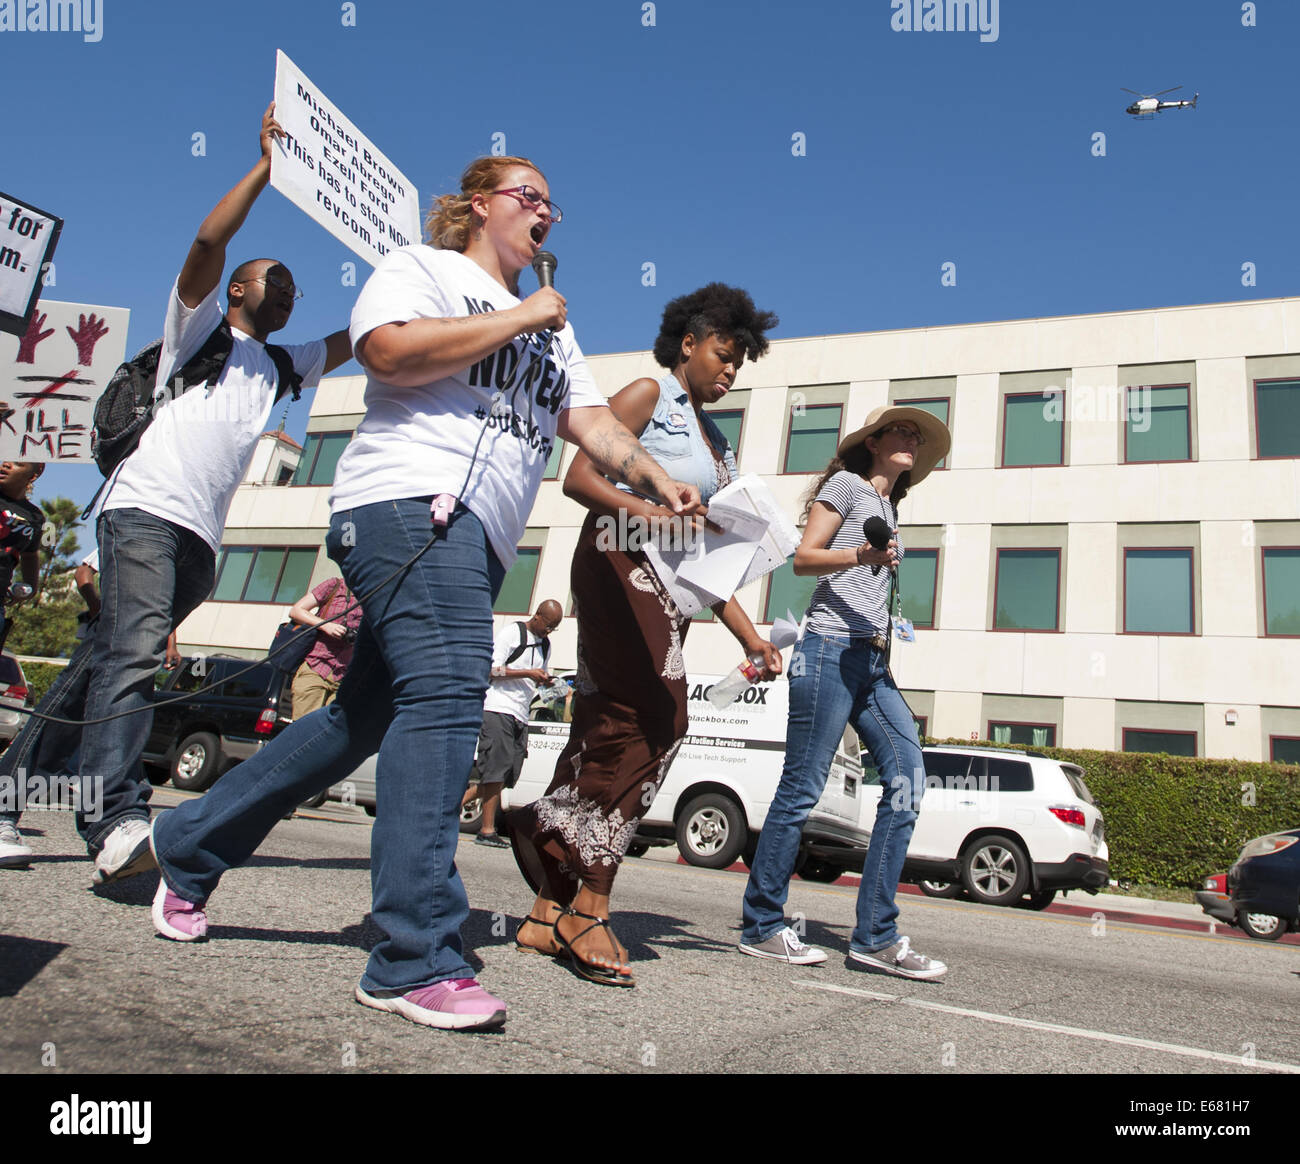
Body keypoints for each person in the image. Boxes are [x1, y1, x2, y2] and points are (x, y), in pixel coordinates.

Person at [147, 154, 708, 1033]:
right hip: (405, 507)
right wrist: (518, 316)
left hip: (475, 541)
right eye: (530, 198)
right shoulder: (425, 270)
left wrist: (651, 478)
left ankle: (182, 845)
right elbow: (388, 354)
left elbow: (592, 424)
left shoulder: (555, 332)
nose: (546, 214)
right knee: (449, 692)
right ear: (479, 205)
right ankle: (414, 955)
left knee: (354, 721)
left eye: (554, 205)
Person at [36, 102, 352, 887]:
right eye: (274, 283)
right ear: (238, 291)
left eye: (295, 293)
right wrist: (268, 170)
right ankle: (113, 821)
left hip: (201, 543)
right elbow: (209, 241)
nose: (287, 296)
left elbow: (356, 343)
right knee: (135, 659)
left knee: (103, 662)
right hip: (144, 511)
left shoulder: (280, 366)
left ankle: (12, 789)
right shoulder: (199, 333)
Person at [505, 284, 781, 987]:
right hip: (614, 558)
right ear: (688, 343)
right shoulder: (646, 395)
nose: (729, 371)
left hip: (669, 589)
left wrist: (751, 639)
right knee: (663, 712)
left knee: (611, 727)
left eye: (739, 365)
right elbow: (578, 477)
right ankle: (590, 901)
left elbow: (707, 560)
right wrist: (647, 512)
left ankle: (547, 900)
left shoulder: (718, 447)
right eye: (724, 354)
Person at [738, 404, 951, 978]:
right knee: (803, 787)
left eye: (917, 436)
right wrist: (861, 553)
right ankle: (762, 924)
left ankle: (875, 937)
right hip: (828, 652)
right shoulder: (848, 486)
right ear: (875, 443)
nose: (911, 439)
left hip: (872, 664)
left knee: (906, 781)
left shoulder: (889, 507)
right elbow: (803, 559)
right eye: (901, 431)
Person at [0, 544, 182, 869]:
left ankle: (114, 822)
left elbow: (165, 600)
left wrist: (171, 641)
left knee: (123, 720)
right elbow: (84, 573)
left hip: (145, 633)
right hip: (113, 625)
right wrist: (99, 608)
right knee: (66, 711)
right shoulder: (140, 521)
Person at [462, 599, 562, 848]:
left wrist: (545, 682)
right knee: (495, 770)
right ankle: (486, 830)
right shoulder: (512, 633)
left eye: (554, 628)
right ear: (537, 615)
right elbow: (489, 670)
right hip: (498, 707)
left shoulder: (545, 645)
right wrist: (526, 673)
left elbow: (537, 678)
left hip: (520, 713)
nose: (548, 631)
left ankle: (449, 807)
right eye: (547, 625)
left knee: (507, 774)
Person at [0, 460, 45, 868]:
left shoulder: (33, 517)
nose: (4, 462)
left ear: (36, 472)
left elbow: (30, 556)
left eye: (16, 458)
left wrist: (29, 587)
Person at [287, 577, 363, 719]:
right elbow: (296, 611)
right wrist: (326, 626)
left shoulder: (374, 595)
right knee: (304, 733)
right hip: (315, 669)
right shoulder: (335, 585)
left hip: (344, 678)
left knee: (328, 737)